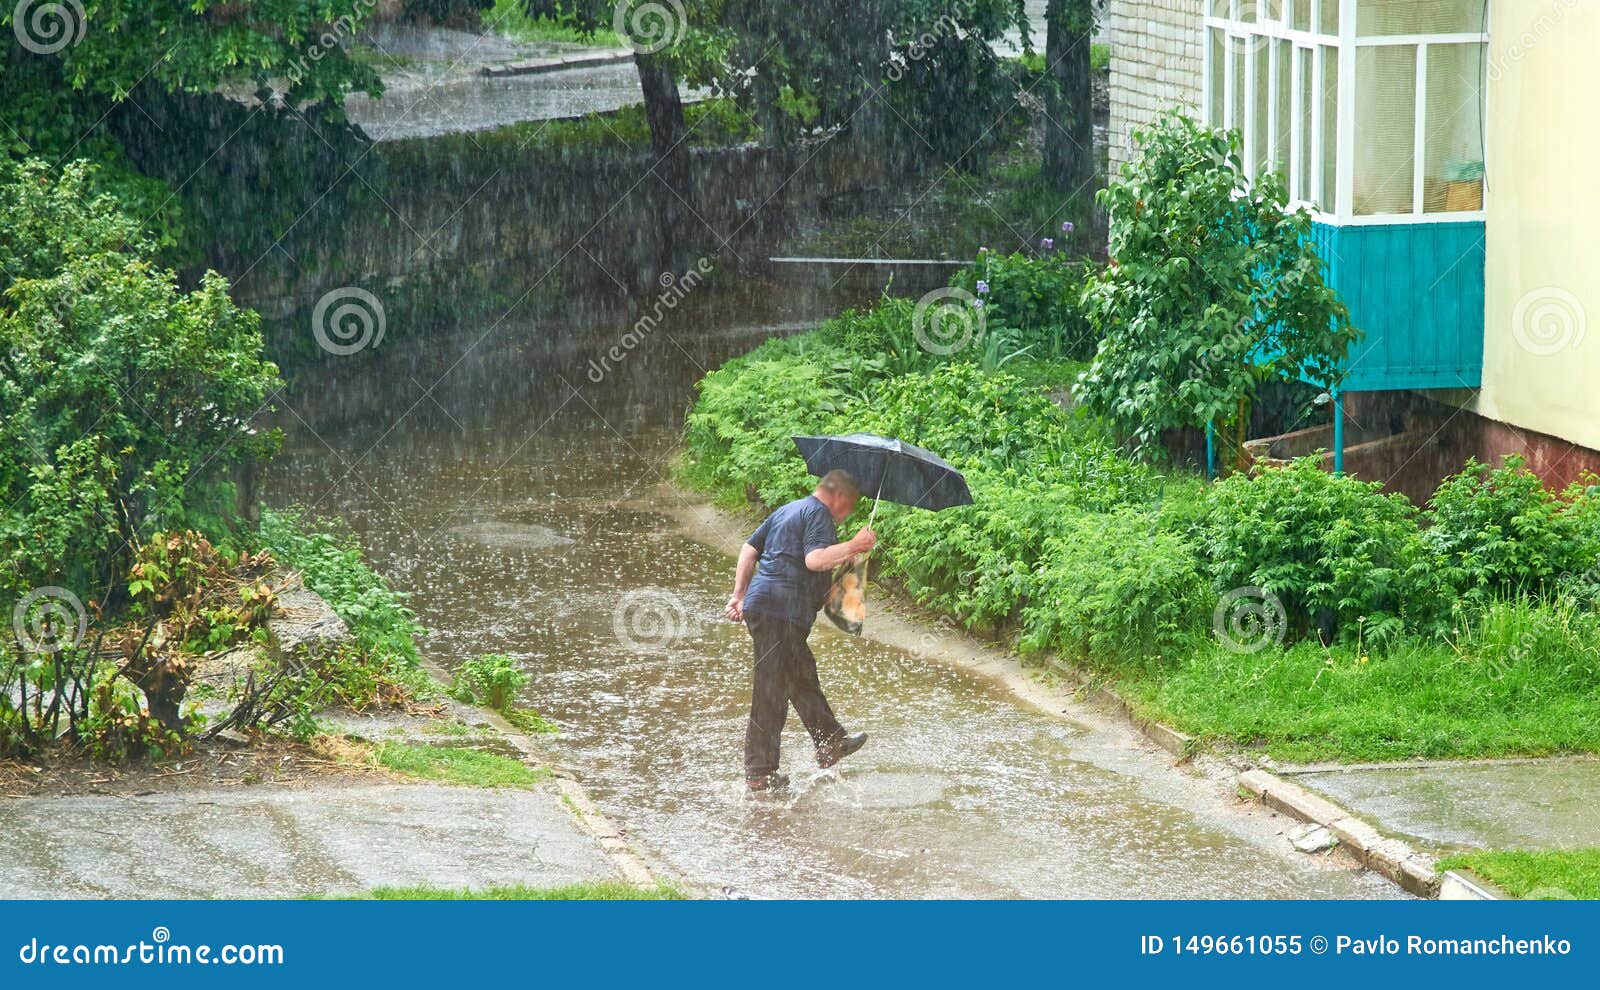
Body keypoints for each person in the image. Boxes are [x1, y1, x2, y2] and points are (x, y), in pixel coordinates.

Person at [724, 469, 875, 792]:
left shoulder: (788, 510)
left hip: (770, 608)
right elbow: (815, 560)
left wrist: (739, 594)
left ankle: (829, 743)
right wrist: (854, 543)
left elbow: (749, 550)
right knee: (771, 689)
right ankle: (760, 773)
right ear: (838, 496)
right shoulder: (818, 514)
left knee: (800, 675)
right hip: (779, 610)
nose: (847, 513)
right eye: (850, 505)